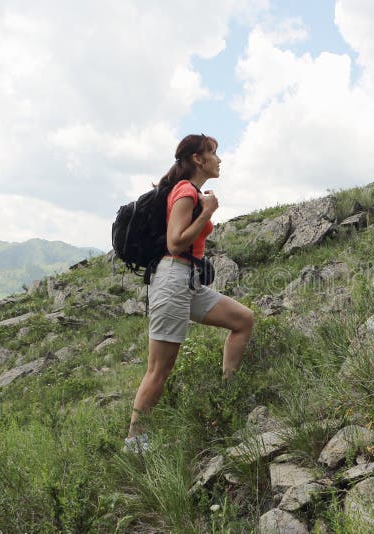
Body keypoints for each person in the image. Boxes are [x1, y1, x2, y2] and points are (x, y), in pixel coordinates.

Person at [124, 133, 254, 453]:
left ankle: (227, 394)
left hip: (188, 281)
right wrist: (208, 211)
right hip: (172, 279)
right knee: (160, 369)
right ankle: (134, 441)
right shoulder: (185, 192)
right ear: (198, 159)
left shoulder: (192, 192)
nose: (219, 159)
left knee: (243, 319)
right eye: (214, 153)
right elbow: (175, 241)